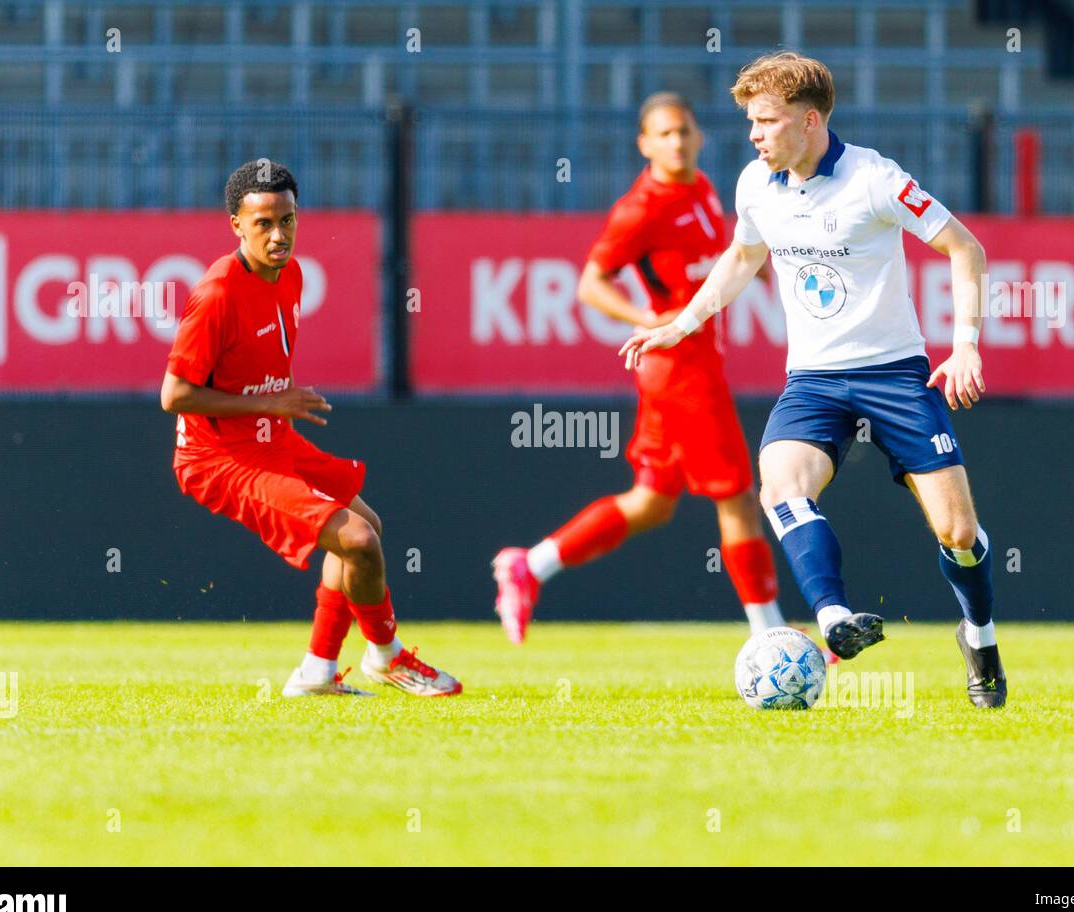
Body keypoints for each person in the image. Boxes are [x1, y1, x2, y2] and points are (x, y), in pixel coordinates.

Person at [619, 54, 1006, 707]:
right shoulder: (755, 184)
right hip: (815, 381)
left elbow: (965, 247)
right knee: (780, 486)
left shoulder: (875, 179)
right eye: (750, 121)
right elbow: (742, 256)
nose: (754, 134)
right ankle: (833, 618)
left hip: (894, 375)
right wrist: (681, 323)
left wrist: (965, 346)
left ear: (810, 120)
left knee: (959, 537)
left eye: (766, 121)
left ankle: (979, 632)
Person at [493, 92, 806, 653]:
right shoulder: (642, 207)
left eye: (684, 130)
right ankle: (772, 638)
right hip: (682, 369)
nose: (677, 142)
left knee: (652, 501)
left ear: (698, 135)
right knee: (737, 497)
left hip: (685, 365)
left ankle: (528, 566)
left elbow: (727, 255)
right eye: (664, 134)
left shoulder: (705, 188)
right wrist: (648, 317)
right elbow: (591, 283)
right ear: (644, 144)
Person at [161, 159, 461, 698]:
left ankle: (317, 673)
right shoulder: (215, 295)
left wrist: (273, 406)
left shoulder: (291, 274)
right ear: (236, 224)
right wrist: (274, 400)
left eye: (287, 220)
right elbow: (174, 395)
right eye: (263, 224)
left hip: (269, 438)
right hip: (220, 459)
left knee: (365, 532)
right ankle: (386, 656)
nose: (279, 236)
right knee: (359, 540)